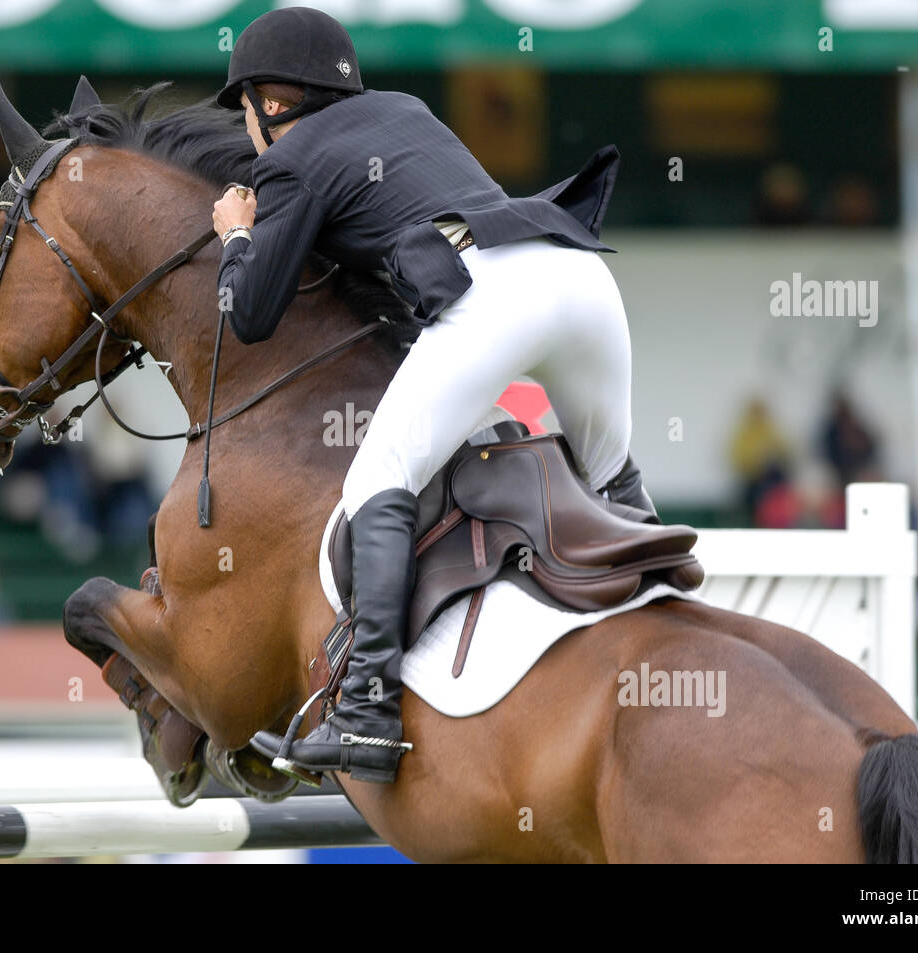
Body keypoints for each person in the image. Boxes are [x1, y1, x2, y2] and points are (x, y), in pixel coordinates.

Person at [222, 8, 656, 783]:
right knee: (612, 476)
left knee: (377, 476)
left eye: (245, 109)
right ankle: (664, 635)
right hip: (579, 268)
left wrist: (237, 238)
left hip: (498, 293)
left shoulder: (289, 161)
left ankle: (365, 714)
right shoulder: (405, 112)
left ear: (270, 102)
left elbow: (250, 315)